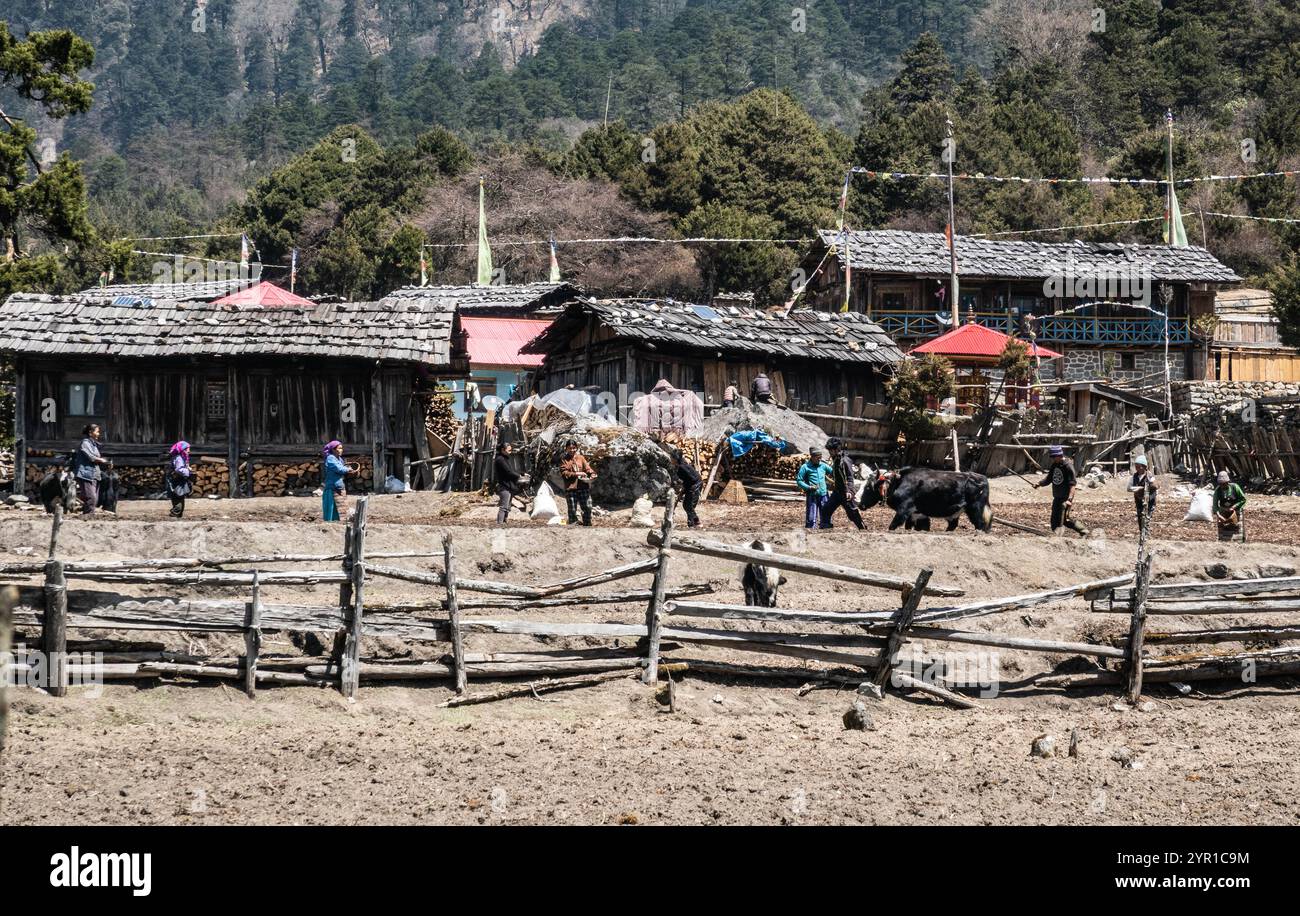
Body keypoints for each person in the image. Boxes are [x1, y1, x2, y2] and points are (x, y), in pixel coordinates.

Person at [1033, 445, 1088, 536]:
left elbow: (1072, 484)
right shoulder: (1055, 465)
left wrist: (1069, 500)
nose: (1053, 459)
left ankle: (1083, 531)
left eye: (1054, 457)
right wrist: (1039, 484)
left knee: (1064, 520)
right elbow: (1049, 479)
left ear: (1058, 455)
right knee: (1054, 519)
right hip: (1057, 496)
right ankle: (1055, 536)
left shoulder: (1068, 466)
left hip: (1065, 498)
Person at [823, 437, 865, 530]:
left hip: (845, 492)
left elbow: (849, 477)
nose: (829, 452)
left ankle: (863, 529)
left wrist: (849, 491)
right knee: (826, 510)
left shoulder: (844, 461)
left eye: (831, 450)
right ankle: (825, 530)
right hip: (837, 492)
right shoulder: (836, 459)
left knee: (852, 514)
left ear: (836, 449)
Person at [72, 423, 111, 515]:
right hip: (85, 474)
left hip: (94, 474)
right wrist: (102, 460)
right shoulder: (85, 443)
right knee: (91, 498)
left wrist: (105, 462)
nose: (99, 434)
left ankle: (88, 516)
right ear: (90, 432)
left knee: (94, 499)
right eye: (97, 432)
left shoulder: (93, 444)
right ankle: (88, 517)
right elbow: (91, 457)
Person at [560, 440, 596, 526]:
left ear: (576, 448)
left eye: (574, 448)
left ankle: (587, 524)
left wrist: (592, 474)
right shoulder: (563, 460)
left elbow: (587, 468)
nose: (572, 450)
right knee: (572, 509)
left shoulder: (581, 458)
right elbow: (565, 473)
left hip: (583, 486)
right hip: (571, 488)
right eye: (570, 448)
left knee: (588, 506)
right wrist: (577, 473)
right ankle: (573, 526)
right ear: (566, 449)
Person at [796, 446, 833, 530]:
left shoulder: (823, 466)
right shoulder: (805, 467)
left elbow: (834, 472)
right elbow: (799, 480)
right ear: (812, 457)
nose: (819, 460)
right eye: (817, 458)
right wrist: (808, 487)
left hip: (824, 494)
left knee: (826, 516)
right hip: (812, 494)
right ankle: (810, 531)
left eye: (820, 458)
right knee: (811, 517)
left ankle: (826, 531)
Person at [321, 440, 358, 522]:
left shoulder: (339, 459)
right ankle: (331, 522)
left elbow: (342, 466)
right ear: (333, 450)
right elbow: (339, 469)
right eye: (339, 448)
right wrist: (348, 469)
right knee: (333, 506)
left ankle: (340, 521)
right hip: (332, 486)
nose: (341, 450)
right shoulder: (330, 458)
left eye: (342, 448)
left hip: (339, 485)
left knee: (342, 506)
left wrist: (347, 468)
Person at [494, 441, 527, 526]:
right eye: (509, 450)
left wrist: (522, 473)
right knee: (504, 507)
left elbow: (511, 471)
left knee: (507, 506)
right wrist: (519, 476)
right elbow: (508, 472)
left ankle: (504, 522)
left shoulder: (505, 458)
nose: (510, 452)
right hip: (504, 486)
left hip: (508, 485)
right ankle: (500, 523)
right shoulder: (500, 460)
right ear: (502, 450)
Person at [671, 449, 703, 528]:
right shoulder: (680, 466)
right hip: (691, 485)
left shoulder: (683, 467)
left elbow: (693, 479)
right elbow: (687, 480)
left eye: (671, 457)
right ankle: (692, 523)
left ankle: (695, 523)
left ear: (675, 458)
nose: (670, 459)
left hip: (695, 486)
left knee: (688, 505)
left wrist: (688, 489)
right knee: (687, 505)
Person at [165, 440, 194, 518]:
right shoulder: (179, 458)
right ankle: (176, 513)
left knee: (179, 496)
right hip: (176, 480)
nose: (189, 450)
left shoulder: (182, 457)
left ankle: (177, 514)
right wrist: (188, 472)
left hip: (178, 479)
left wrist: (188, 468)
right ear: (183, 449)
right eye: (188, 448)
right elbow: (179, 469)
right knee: (178, 496)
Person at [1128, 454, 1158, 529]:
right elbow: (1128, 488)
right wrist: (1136, 489)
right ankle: (1142, 534)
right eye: (1136, 466)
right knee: (1140, 518)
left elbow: (1155, 486)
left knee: (1147, 518)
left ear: (1144, 467)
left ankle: (1145, 535)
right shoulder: (1134, 476)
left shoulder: (1149, 475)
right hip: (1139, 500)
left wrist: (1142, 488)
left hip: (1149, 500)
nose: (1137, 468)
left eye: (1139, 466)